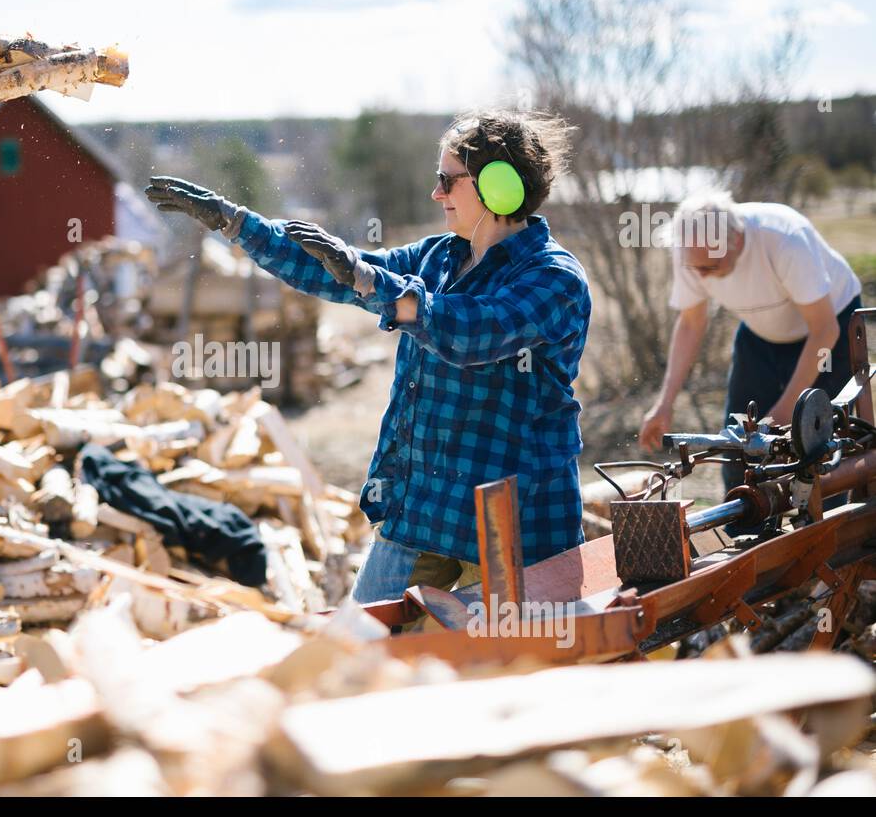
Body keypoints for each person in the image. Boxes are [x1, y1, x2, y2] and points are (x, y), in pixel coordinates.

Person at [146, 110, 590, 604]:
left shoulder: (555, 279)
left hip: (516, 525)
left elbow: (473, 331)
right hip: (426, 509)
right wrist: (237, 223)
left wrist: (379, 286)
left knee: (512, 671)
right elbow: (339, 271)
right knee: (358, 649)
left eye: (447, 180)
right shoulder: (438, 256)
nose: (436, 194)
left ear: (497, 188)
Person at [639, 193, 862, 492]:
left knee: (817, 439)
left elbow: (824, 330)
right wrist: (664, 403)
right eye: (696, 268)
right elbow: (691, 323)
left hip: (828, 332)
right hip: (761, 332)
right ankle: (745, 530)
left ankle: (827, 528)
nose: (702, 276)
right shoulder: (693, 250)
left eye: (710, 267)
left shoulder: (784, 240)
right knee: (738, 439)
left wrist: (785, 413)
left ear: (736, 240)